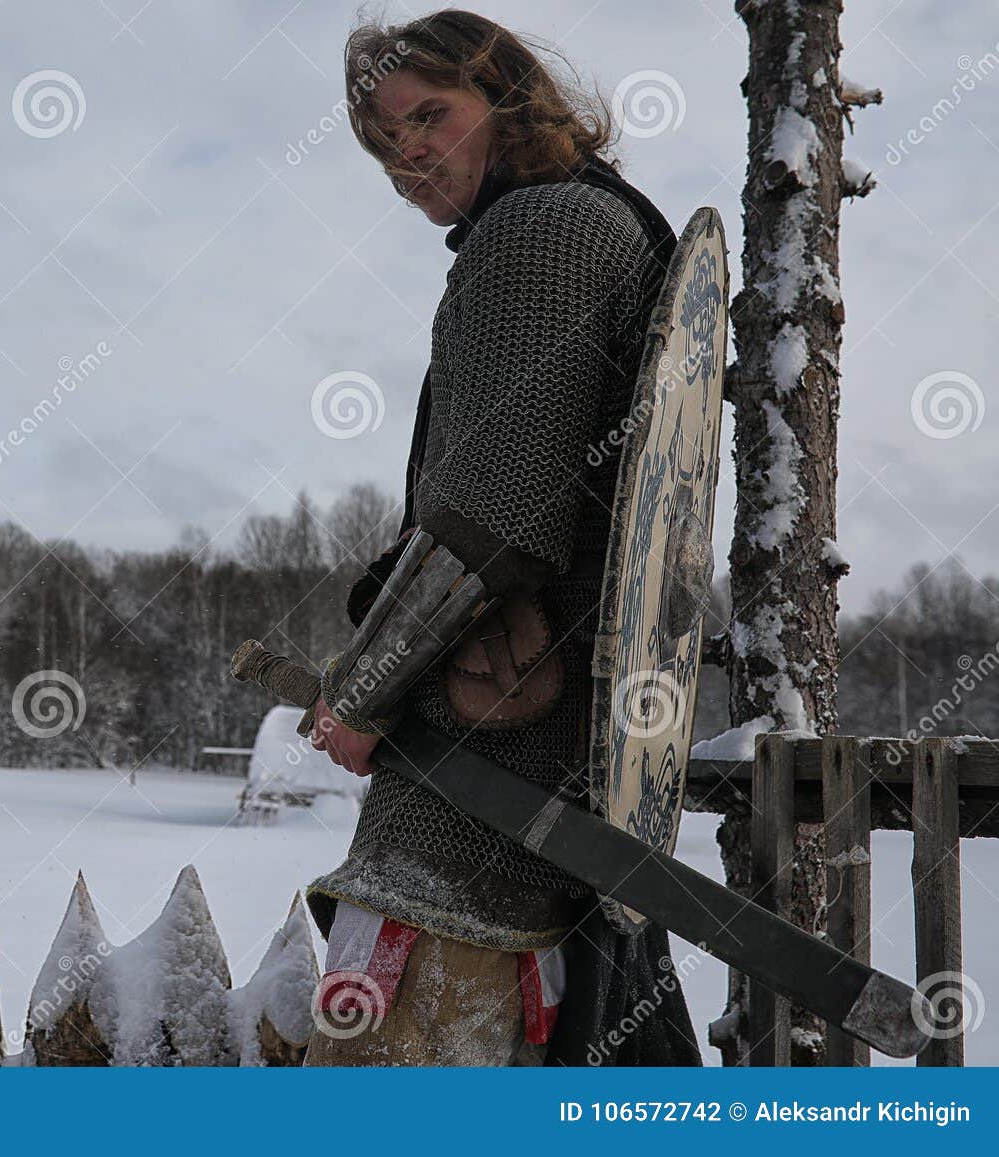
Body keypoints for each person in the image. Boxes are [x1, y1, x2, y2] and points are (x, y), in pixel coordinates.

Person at [302, 9, 700, 1067]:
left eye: (429, 115)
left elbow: (495, 515)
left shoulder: (545, 230)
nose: (409, 155)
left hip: (486, 788)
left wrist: (362, 689)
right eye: (387, 142)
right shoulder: (589, 222)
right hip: (554, 778)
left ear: (509, 97)